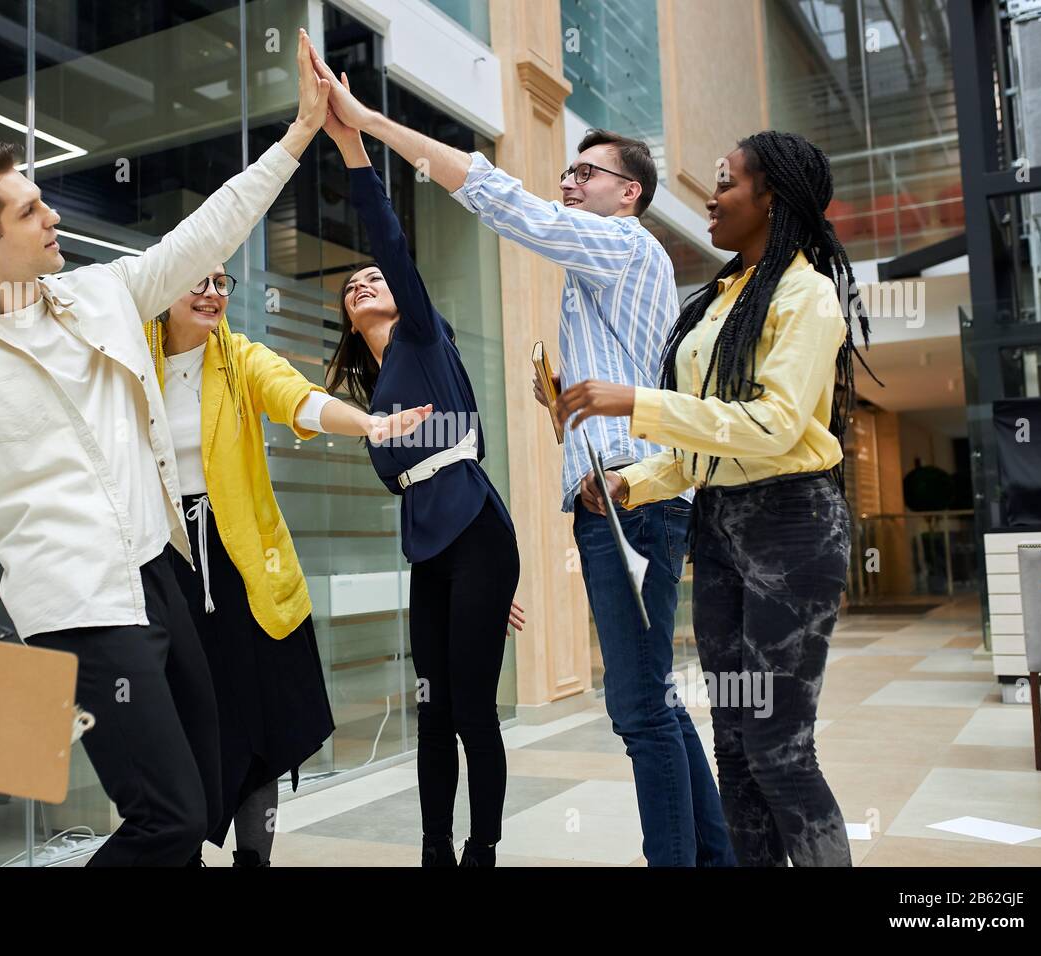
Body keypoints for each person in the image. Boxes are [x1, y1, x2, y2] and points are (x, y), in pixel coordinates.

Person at [0, 30, 331, 867]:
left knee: (204, 797)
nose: (53, 215)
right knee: (168, 819)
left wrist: (296, 137)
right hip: (79, 611)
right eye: (30, 211)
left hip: (159, 576)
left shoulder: (101, 293)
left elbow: (206, 233)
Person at [309, 51, 734, 867]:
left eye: (585, 173)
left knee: (640, 711)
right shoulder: (594, 278)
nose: (568, 183)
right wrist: (562, 404)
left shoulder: (620, 246)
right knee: (656, 707)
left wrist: (361, 131)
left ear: (629, 193)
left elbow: (503, 205)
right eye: (568, 172)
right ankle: (714, 858)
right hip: (603, 495)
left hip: (627, 498)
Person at [556, 131, 876, 867]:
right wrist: (637, 483)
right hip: (721, 524)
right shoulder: (720, 299)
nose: (710, 194)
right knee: (732, 743)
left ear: (773, 198)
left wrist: (637, 405)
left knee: (779, 747)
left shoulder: (806, 295)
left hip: (793, 524)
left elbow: (771, 425)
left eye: (728, 182)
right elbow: (707, 444)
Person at [144, 265, 430, 866]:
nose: (212, 294)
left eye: (223, 283)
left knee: (256, 723)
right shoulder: (131, 356)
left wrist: (368, 424)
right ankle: (182, 854)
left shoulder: (241, 358)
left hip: (242, 564)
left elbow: (297, 400)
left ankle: (255, 860)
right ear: (163, 283)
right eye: (197, 280)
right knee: (176, 724)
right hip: (161, 562)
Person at [321, 90, 523, 868]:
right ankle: (435, 849)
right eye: (352, 286)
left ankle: (483, 849)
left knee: (473, 707)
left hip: (475, 529)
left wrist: (352, 146)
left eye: (375, 277)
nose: (366, 282)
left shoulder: (424, 337)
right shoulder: (371, 400)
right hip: (433, 549)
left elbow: (390, 239)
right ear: (345, 317)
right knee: (432, 707)